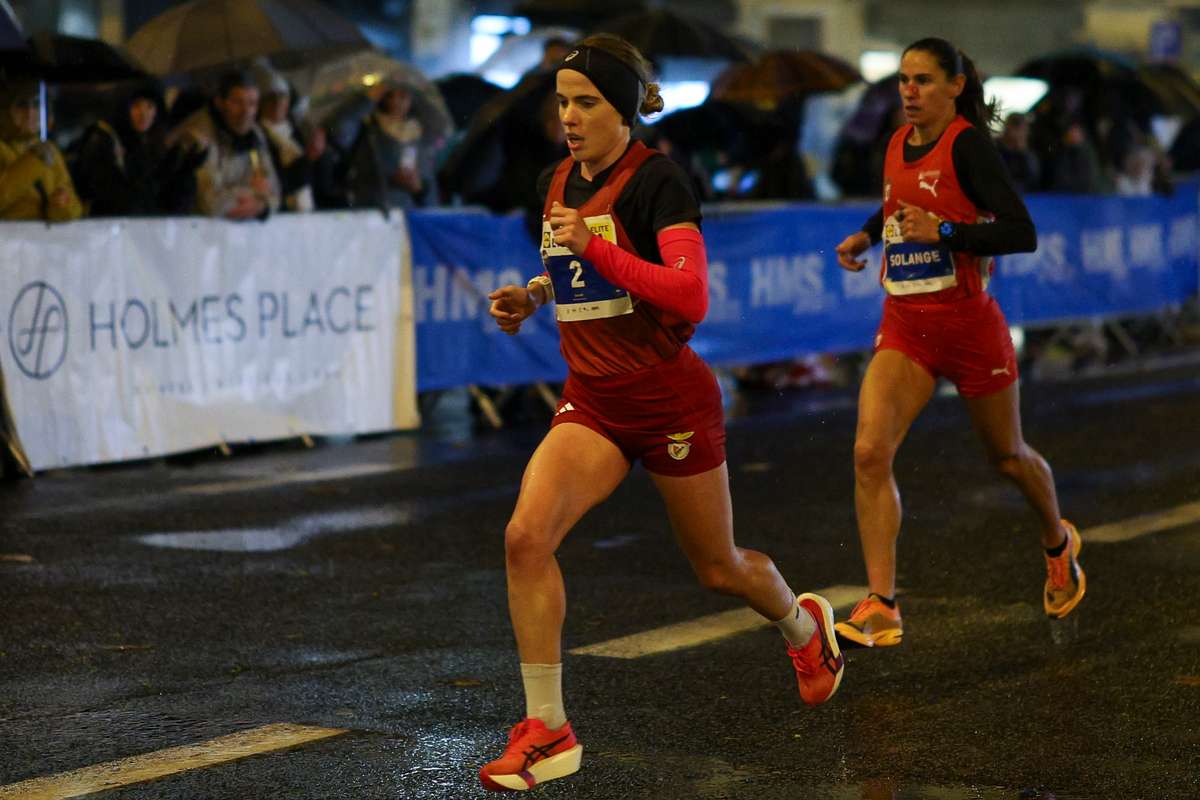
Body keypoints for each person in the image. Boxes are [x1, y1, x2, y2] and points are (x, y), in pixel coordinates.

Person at [479, 34, 845, 793]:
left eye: (587, 103)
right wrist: (534, 295)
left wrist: (599, 251)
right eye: (563, 103)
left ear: (622, 112)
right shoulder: (559, 179)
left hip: (669, 399)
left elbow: (690, 295)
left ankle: (805, 627)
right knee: (524, 538)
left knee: (719, 568)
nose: (570, 117)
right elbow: (571, 266)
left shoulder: (659, 182)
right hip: (595, 401)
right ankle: (548, 727)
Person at [832, 37, 1086, 649]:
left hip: (970, 326)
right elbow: (899, 204)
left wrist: (946, 231)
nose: (909, 92)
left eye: (922, 80)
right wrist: (868, 235)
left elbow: (1020, 232)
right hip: (907, 326)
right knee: (870, 451)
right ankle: (883, 603)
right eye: (903, 80)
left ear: (954, 86)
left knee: (1007, 457)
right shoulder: (896, 142)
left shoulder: (969, 144)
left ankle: (1058, 543)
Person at [71, 84, 204, 217]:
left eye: (150, 106)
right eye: (136, 106)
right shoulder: (103, 140)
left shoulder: (148, 142)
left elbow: (164, 203)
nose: (143, 113)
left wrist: (183, 173)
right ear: (124, 107)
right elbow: (119, 200)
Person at [166, 70, 280, 220]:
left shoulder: (254, 136)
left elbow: (273, 191)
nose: (246, 112)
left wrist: (262, 206)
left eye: (252, 103)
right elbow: (210, 204)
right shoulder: (198, 137)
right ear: (219, 103)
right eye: (238, 102)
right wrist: (255, 195)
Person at [0, 81, 82, 222]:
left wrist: (61, 205)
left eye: (36, 105)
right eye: (21, 105)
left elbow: (75, 208)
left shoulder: (48, 149)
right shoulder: (6, 149)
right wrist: (33, 161)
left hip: (43, 241)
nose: (30, 112)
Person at [345, 84, 425, 211]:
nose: (397, 102)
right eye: (391, 95)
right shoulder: (369, 125)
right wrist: (368, 100)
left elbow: (426, 181)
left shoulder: (416, 131)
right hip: (371, 205)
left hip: (405, 208)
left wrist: (417, 186)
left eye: (404, 96)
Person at [994, 112, 1040, 194]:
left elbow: (1034, 180)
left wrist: (1023, 152)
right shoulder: (995, 149)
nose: (1024, 133)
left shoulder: (1027, 154)